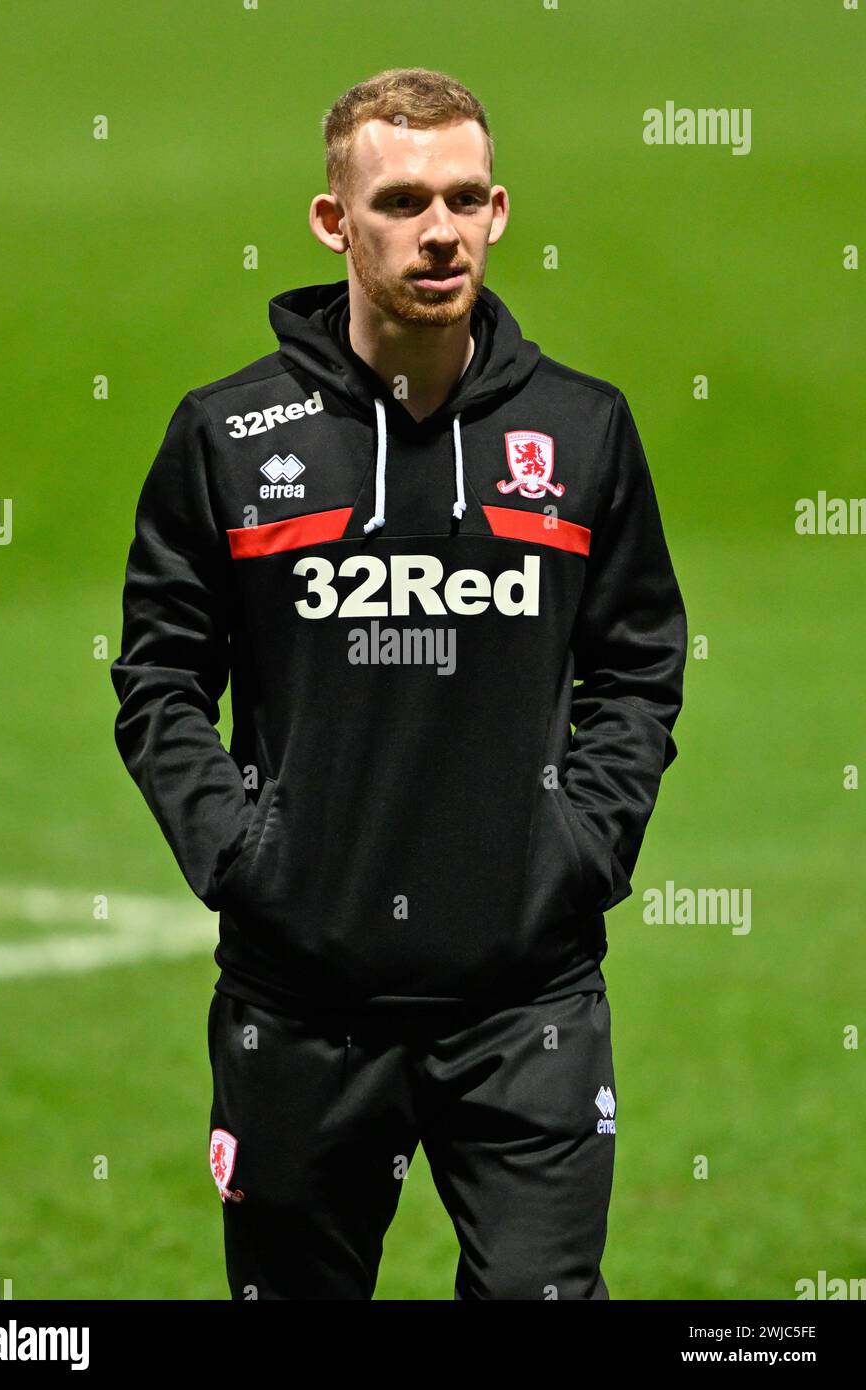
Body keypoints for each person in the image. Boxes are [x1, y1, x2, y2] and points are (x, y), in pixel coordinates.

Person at [111, 66, 688, 1300]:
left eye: (465, 199)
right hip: (303, 1008)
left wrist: (581, 846)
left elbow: (639, 662)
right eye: (403, 201)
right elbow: (160, 675)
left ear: (497, 211)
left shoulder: (582, 434)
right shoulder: (227, 438)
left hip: (525, 1004)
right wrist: (242, 857)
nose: (439, 231)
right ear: (335, 220)